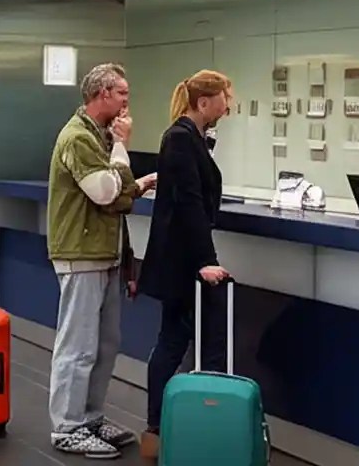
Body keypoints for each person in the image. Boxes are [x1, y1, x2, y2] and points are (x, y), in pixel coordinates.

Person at [47, 63, 157, 459]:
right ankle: (68, 425)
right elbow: (107, 192)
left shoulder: (98, 137)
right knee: (77, 346)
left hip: (104, 254)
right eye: (122, 93)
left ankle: (90, 416)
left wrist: (132, 185)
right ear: (102, 94)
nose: (128, 101)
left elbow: (120, 193)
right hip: (81, 253)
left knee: (104, 344)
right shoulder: (78, 138)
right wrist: (123, 147)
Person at [137, 70, 234, 459]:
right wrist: (207, 261)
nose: (229, 106)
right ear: (204, 101)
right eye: (225, 97)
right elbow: (189, 203)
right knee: (176, 342)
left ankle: (165, 428)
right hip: (183, 264)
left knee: (180, 340)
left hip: (181, 260)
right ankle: (161, 427)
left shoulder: (190, 138)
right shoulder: (180, 139)